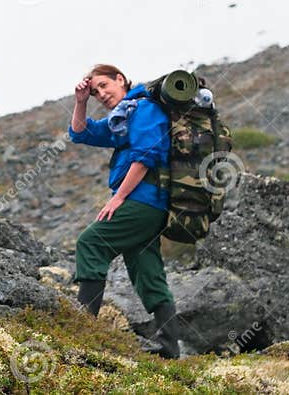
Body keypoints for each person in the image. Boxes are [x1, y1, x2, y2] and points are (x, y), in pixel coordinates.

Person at [69, 64, 180, 358]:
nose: (101, 94)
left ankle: (82, 330)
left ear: (120, 79)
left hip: (145, 201)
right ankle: (170, 349)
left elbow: (145, 157)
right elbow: (81, 133)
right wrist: (81, 102)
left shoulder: (144, 108)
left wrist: (118, 198)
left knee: (91, 243)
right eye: (96, 92)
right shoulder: (122, 118)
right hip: (146, 204)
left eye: (104, 85)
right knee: (146, 269)